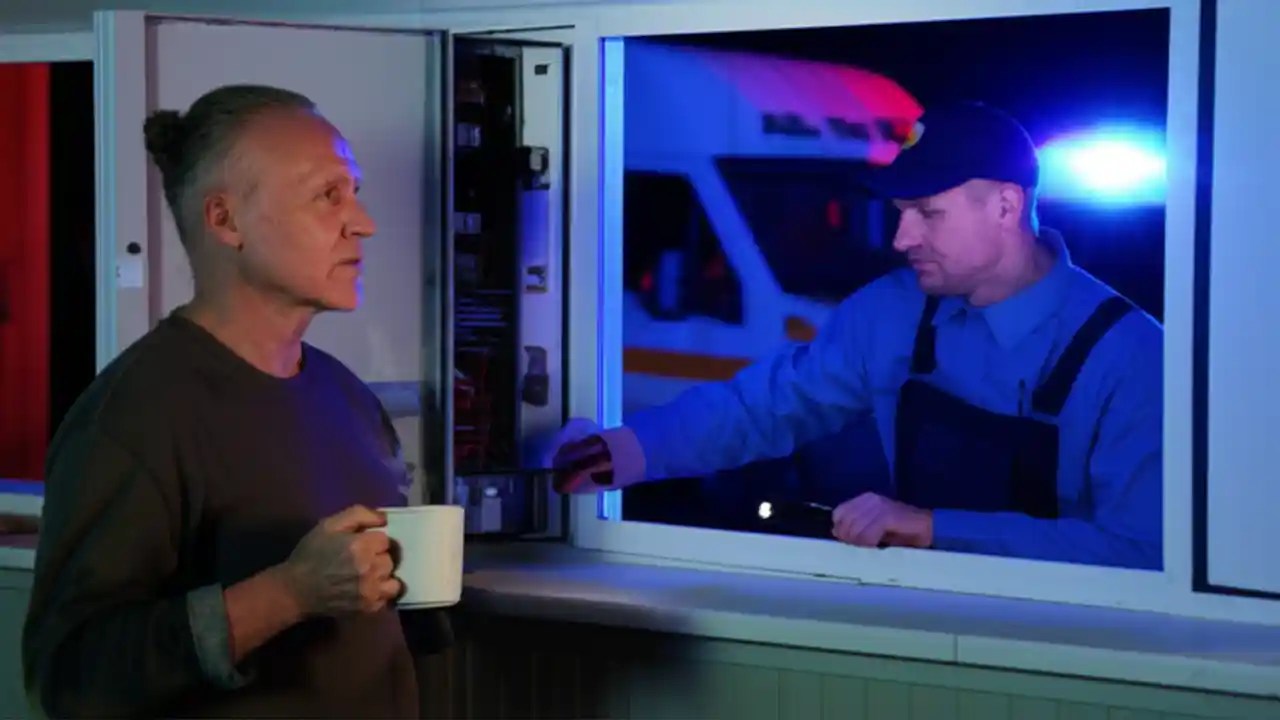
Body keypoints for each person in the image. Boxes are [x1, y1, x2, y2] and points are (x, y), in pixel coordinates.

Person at [551, 101, 1162, 570]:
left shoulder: (1131, 358)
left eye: (927, 213)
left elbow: (1139, 551)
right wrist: (626, 451)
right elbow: (769, 406)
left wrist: (931, 528)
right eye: (899, 214)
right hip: (919, 618)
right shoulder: (893, 311)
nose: (901, 239)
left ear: (1005, 207)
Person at [22, 84, 445, 718]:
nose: (363, 222)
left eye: (353, 190)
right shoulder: (133, 418)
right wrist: (288, 593)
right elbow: (71, 678)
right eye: (328, 195)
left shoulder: (348, 398)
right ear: (226, 220)